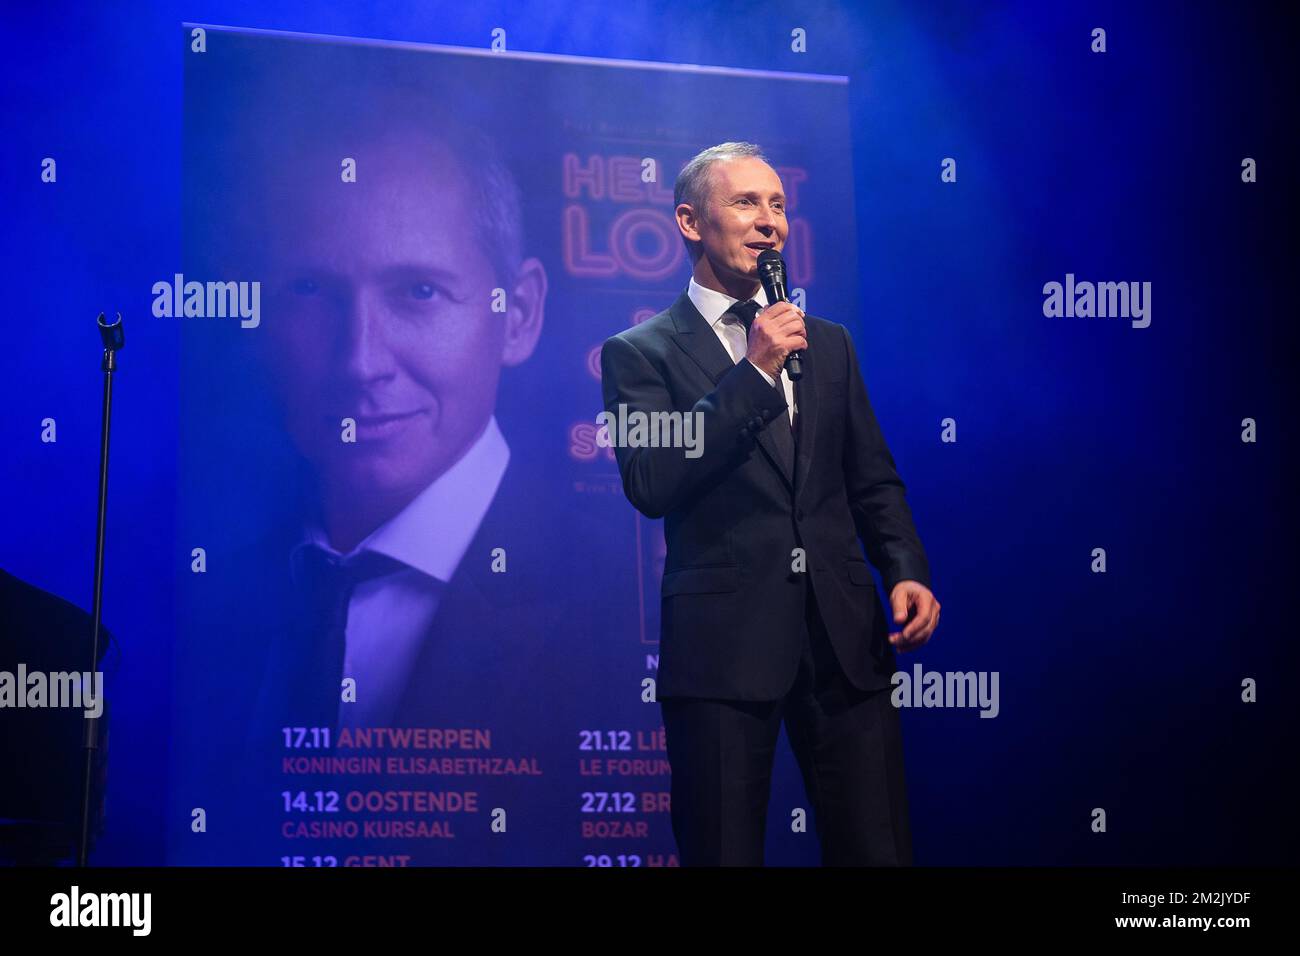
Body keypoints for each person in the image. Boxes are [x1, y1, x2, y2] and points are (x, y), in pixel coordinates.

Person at [170, 83, 626, 865]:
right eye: (312, 292)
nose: (360, 362)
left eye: (418, 292)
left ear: (516, 315)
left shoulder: (628, 604)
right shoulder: (193, 598)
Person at [600, 142, 941, 866]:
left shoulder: (828, 344)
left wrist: (904, 566)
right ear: (691, 221)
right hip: (723, 648)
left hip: (843, 640)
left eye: (779, 205)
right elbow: (651, 481)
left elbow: (871, 478)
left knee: (879, 851)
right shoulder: (640, 353)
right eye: (747, 204)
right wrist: (753, 375)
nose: (770, 223)